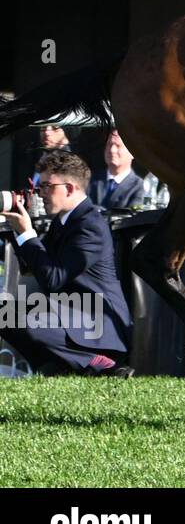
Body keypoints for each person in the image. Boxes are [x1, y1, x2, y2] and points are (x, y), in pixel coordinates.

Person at [0, 150, 133, 376]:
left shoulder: (90, 226)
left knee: (31, 322)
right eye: (38, 187)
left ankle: (100, 363)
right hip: (69, 314)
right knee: (5, 312)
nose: (39, 194)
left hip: (97, 323)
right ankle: (53, 366)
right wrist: (17, 229)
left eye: (46, 187)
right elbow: (34, 269)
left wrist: (28, 235)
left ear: (69, 188)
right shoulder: (63, 221)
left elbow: (53, 279)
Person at [89, 130, 146, 210]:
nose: (112, 150)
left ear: (132, 152)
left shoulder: (138, 186)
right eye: (109, 144)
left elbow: (133, 215)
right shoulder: (90, 179)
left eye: (118, 146)